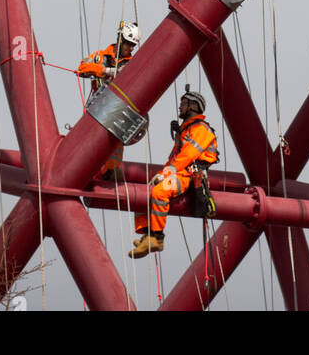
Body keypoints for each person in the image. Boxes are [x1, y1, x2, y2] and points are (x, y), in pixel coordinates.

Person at [129, 87, 218, 258]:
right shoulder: (186, 130)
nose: (180, 107)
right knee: (145, 191)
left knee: (160, 192)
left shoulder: (201, 129)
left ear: (193, 106)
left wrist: (168, 172)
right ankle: (147, 234)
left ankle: (156, 238)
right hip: (180, 172)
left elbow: (189, 154)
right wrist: (164, 172)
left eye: (183, 103)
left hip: (190, 175)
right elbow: (175, 157)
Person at [78, 22, 141, 182]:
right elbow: (82, 68)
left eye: (133, 45)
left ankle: (111, 171)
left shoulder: (133, 63)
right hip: (97, 108)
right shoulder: (101, 56)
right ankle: (83, 171)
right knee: (87, 142)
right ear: (120, 39)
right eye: (128, 44)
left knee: (115, 141)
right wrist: (107, 71)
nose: (130, 48)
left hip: (116, 112)